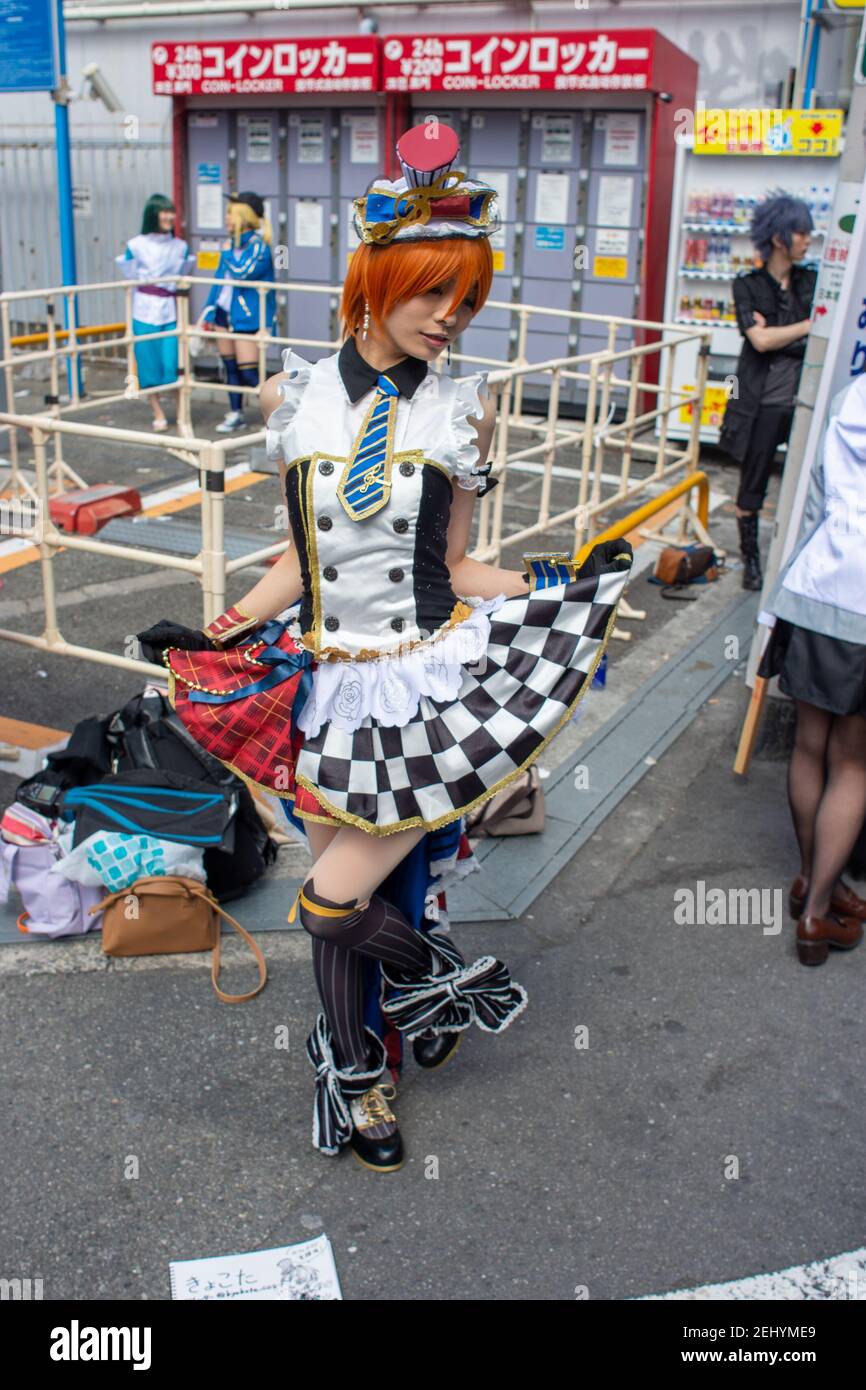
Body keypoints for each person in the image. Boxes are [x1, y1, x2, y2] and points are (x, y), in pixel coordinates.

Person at [137, 123, 633, 1172]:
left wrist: (564, 582)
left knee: (328, 907)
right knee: (334, 903)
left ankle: (429, 985)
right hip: (319, 689)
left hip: (421, 691)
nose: (451, 317)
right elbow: (297, 560)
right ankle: (361, 1072)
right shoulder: (293, 399)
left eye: (466, 297)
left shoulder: (465, 410)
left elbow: (455, 570)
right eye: (431, 293)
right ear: (376, 279)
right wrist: (219, 628)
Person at [760, 371, 866, 966]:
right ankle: (816, 914)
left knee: (809, 747)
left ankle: (811, 879)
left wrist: (776, 605)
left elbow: (820, 499)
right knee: (853, 763)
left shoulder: (855, 393)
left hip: (814, 585)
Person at [719, 192, 817, 590]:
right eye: (801, 232)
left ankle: (797, 556)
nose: (808, 240)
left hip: (804, 401)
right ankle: (752, 562)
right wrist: (807, 327)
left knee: (808, 481)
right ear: (779, 238)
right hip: (761, 402)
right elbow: (759, 341)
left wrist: (780, 334)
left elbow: (771, 336)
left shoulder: (812, 281)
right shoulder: (747, 285)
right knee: (752, 484)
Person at [116, 194, 194, 432]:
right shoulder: (135, 245)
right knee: (148, 364)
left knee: (175, 362)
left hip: (171, 308)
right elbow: (129, 274)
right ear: (153, 214)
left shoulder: (181, 246)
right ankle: (157, 412)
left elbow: (185, 275)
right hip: (144, 308)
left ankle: (182, 413)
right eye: (164, 212)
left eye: (171, 211)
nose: (169, 216)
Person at [201, 191, 276, 433]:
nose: (226, 219)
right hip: (224, 315)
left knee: (250, 373)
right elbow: (218, 283)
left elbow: (244, 273)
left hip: (247, 318)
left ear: (244, 216)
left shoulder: (259, 248)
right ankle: (236, 413)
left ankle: (275, 418)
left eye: (230, 214)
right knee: (230, 368)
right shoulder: (230, 246)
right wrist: (208, 313)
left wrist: (225, 253)